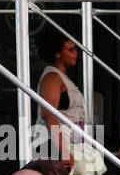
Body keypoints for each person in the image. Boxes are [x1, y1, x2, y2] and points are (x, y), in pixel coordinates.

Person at [35, 26, 86, 167]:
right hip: (56, 143)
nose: (75, 53)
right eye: (71, 50)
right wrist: (63, 151)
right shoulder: (52, 77)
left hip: (70, 139)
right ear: (57, 53)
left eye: (76, 49)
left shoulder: (62, 77)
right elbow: (48, 115)